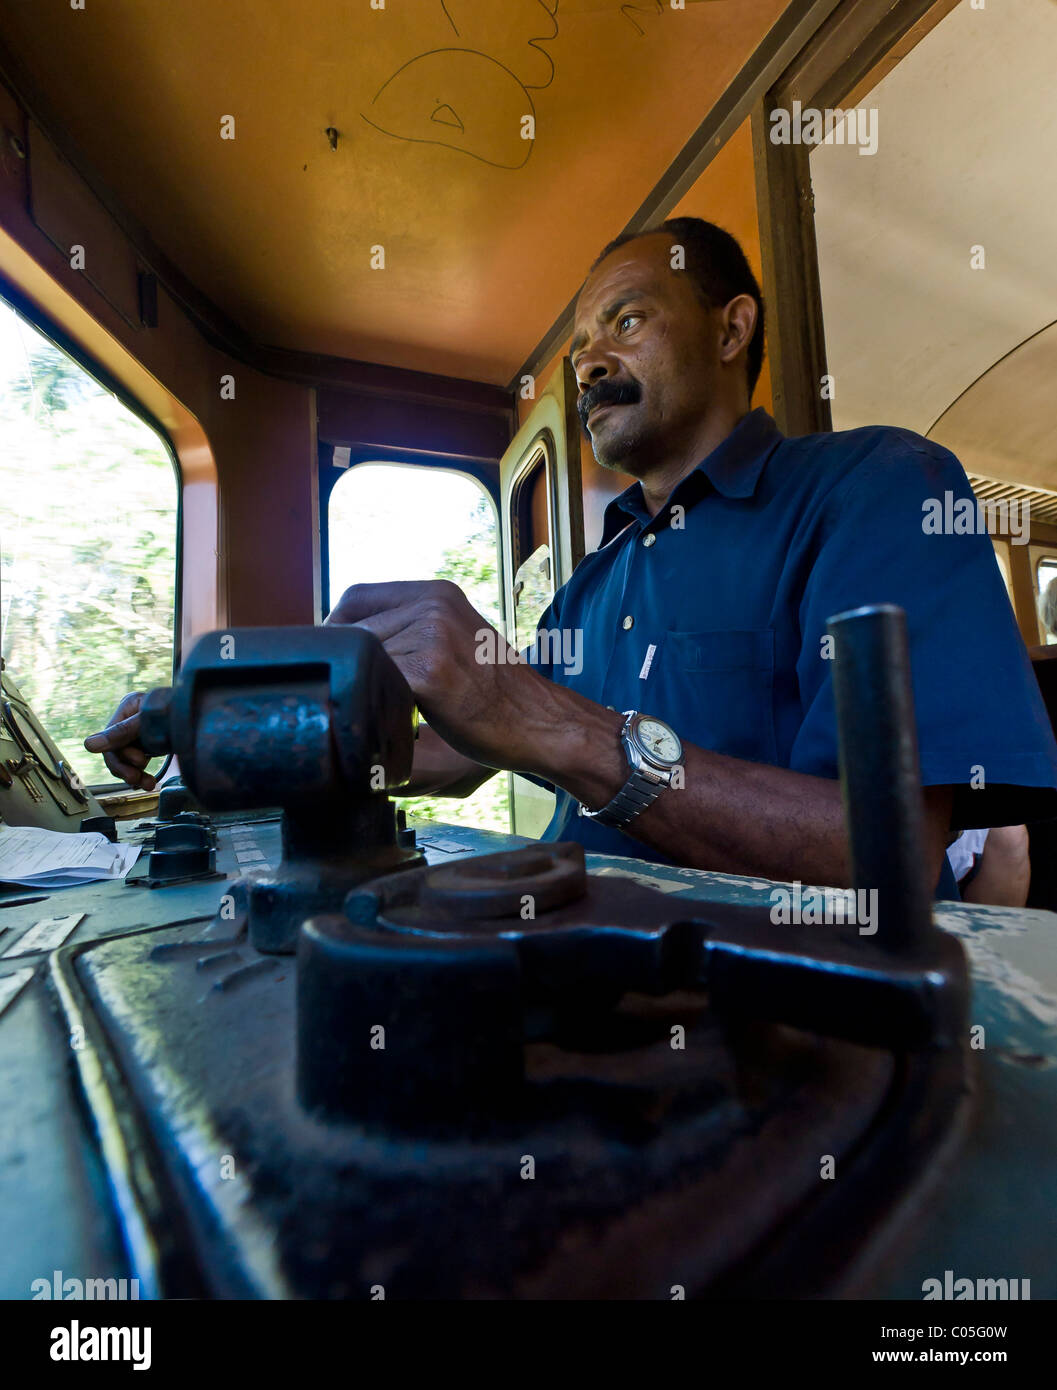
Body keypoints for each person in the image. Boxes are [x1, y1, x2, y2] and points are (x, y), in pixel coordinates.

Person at [86, 218, 1057, 899]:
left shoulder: (877, 488)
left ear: (732, 327)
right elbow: (457, 750)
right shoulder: (592, 585)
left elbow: (883, 854)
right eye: (580, 344)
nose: (588, 360)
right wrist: (223, 722)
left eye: (626, 320)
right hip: (570, 984)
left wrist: (558, 725)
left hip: (776, 1038)